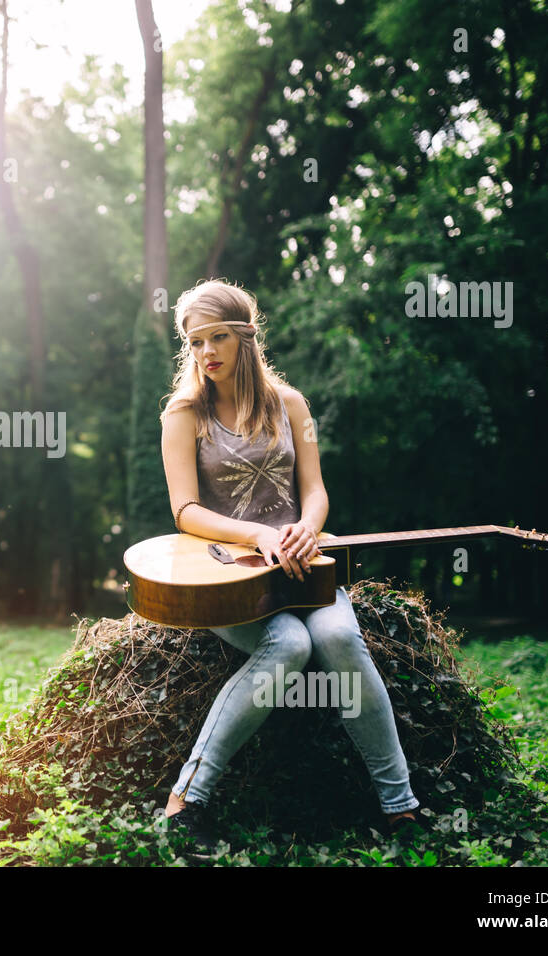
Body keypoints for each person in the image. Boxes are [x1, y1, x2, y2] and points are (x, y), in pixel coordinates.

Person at [156, 278, 423, 857]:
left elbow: (317, 492)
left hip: (305, 566)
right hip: (228, 578)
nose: (207, 352)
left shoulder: (291, 404)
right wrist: (257, 532)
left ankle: (400, 806)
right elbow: (184, 511)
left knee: (338, 636)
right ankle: (184, 802)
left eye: (218, 337)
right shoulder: (183, 413)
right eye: (195, 342)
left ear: (247, 338)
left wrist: (306, 526)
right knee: (289, 646)